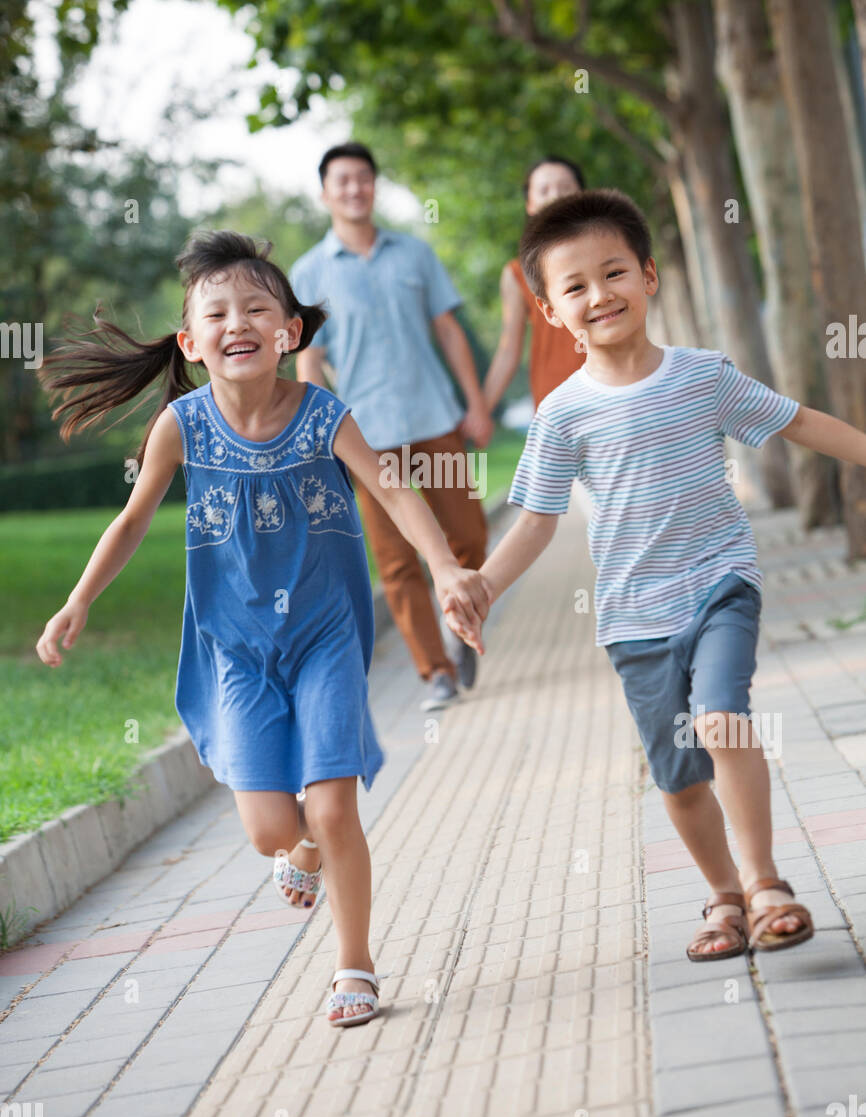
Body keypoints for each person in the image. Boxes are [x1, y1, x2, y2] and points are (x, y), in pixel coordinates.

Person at [34, 231, 488, 1028]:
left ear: (290, 333)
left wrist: (447, 567)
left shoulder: (323, 414)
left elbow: (391, 488)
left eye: (256, 308)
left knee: (335, 806)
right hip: (236, 650)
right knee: (271, 829)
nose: (236, 321)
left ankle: (355, 964)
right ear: (191, 341)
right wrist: (77, 601)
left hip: (325, 635)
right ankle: (304, 849)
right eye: (216, 312)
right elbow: (131, 521)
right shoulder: (181, 426)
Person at [444, 187, 866, 961]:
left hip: (719, 582)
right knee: (676, 779)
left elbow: (796, 421)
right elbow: (536, 520)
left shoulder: (702, 375)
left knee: (720, 719)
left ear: (649, 277)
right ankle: (725, 898)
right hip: (634, 616)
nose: (599, 295)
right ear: (549, 311)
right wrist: (482, 585)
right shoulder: (562, 413)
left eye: (614, 273)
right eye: (574, 287)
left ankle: (767, 882)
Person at [290, 141, 493, 713]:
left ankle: (462, 624)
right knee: (398, 561)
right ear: (326, 192)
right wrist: (320, 437)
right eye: (342, 181)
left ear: (374, 187)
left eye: (363, 179)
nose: (354, 189)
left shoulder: (416, 254)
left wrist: (475, 402)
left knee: (469, 536)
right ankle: (436, 672)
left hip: (433, 415)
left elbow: (450, 333)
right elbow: (308, 363)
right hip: (367, 438)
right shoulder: (309, 272)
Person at [483, 156, 588, 417]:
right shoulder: (517, 274)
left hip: (617, 393)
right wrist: (480, 411)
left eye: (565, 188)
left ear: (583, 196)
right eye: (544, 190)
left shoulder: (613, 254)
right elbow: (509, 350)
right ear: (530, 204)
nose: (556, 196)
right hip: (555, 402)